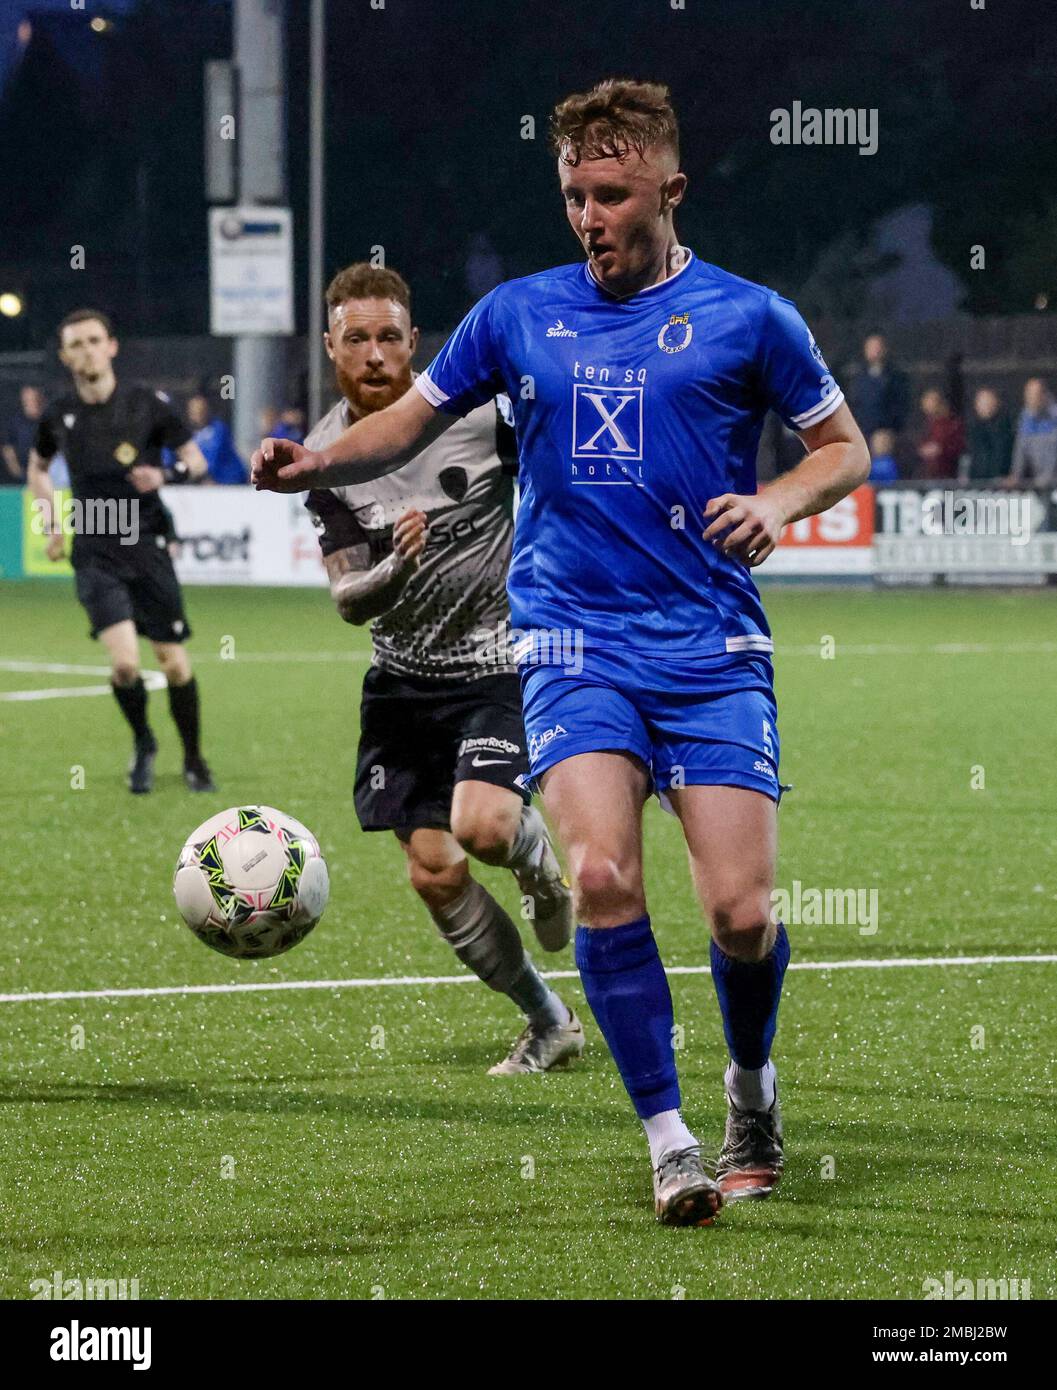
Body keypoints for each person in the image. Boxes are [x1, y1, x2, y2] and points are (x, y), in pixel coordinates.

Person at [253, 79, 869, 1226]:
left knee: (739, 913)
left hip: (708, 640)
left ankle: (750, 1088)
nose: (589, 216)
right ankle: (669, 1140)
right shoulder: (516, 313)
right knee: (595, 875)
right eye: (575, 194)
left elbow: (842, 447)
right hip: (569, 640)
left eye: (613, 193)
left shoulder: (751, 315)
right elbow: (410, 420)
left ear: (670, 189)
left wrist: (779, 499)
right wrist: (314, 467)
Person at [302, 262, 580, 1074]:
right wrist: (390, 573)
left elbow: (559, 484)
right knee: (433, 873)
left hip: (497, 660)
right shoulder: (325, 455)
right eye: (358, 339)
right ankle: (548, 1019)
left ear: (414, 342)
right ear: (331, 346)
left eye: (390, 337)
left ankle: (539, 870)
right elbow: (349, 595)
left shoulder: (475, 416)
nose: (376, 355)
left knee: (482, 828)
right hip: (402, 680)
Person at [26, 309, 216, 795]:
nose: (86, 349)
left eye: (94, 340)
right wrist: (50, 522)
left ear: (111, 346)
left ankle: (193, 758)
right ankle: (144, 742)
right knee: (126, 665)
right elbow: (39, 469)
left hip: (146, 545)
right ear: (66, 356)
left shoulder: (148, 405)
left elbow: (194, 460)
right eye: (76, 344)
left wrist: (166, 475)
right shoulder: (58, 415)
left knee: (173, 661)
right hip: (93, 549)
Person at [846, 332, 910, 440]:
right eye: (871, 347)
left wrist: (890, 429)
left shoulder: (896, 378)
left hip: (886, 434)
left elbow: (900, 406)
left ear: (885, 349)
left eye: (878, 347)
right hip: (862, 432)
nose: (875, 351)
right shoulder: (858, 378)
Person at [186, 394, 247, 484]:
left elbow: (212, 457)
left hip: (230, 480)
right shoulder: (194, 434)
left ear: (207, 410)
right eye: (194, 412)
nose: (197, 415)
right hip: (209, 482)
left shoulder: (218, 429)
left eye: (200, 411)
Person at [1007, 378, 1057, 487]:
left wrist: (1049, 477)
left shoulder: (1054, 417)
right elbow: (1020, 449)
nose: (1031, 399)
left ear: (1044, 395)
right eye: (1028, 395)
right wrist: (1016, 475)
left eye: (1035, 395)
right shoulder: (1025, 417)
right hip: (1037, 483)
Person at [964, 387, 1013, 483]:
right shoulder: (973, 429)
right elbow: (968, 456)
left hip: (1000, 483)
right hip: (976, 483)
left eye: (988, 402)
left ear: (996, 403)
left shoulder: (1006, 428)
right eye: (981, 403)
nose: (985, 406)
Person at [915, 388, 965, 479]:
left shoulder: (953, 424)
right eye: (927, 400)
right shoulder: (919, 424)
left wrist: (941, 449)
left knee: (948, 493)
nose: (931, 404)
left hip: (947, 476)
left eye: (934, 400)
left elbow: (959, 446)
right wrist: (921, 449)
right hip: (923, 477)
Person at [2, 384, 45, 483]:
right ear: (23, 400)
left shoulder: (50, 420)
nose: (32, 402)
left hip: (49, 476)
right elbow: (8, 450)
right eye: (28, 399)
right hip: (21, 478)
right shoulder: (14, 423)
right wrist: (17, 472)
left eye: (35, 398)